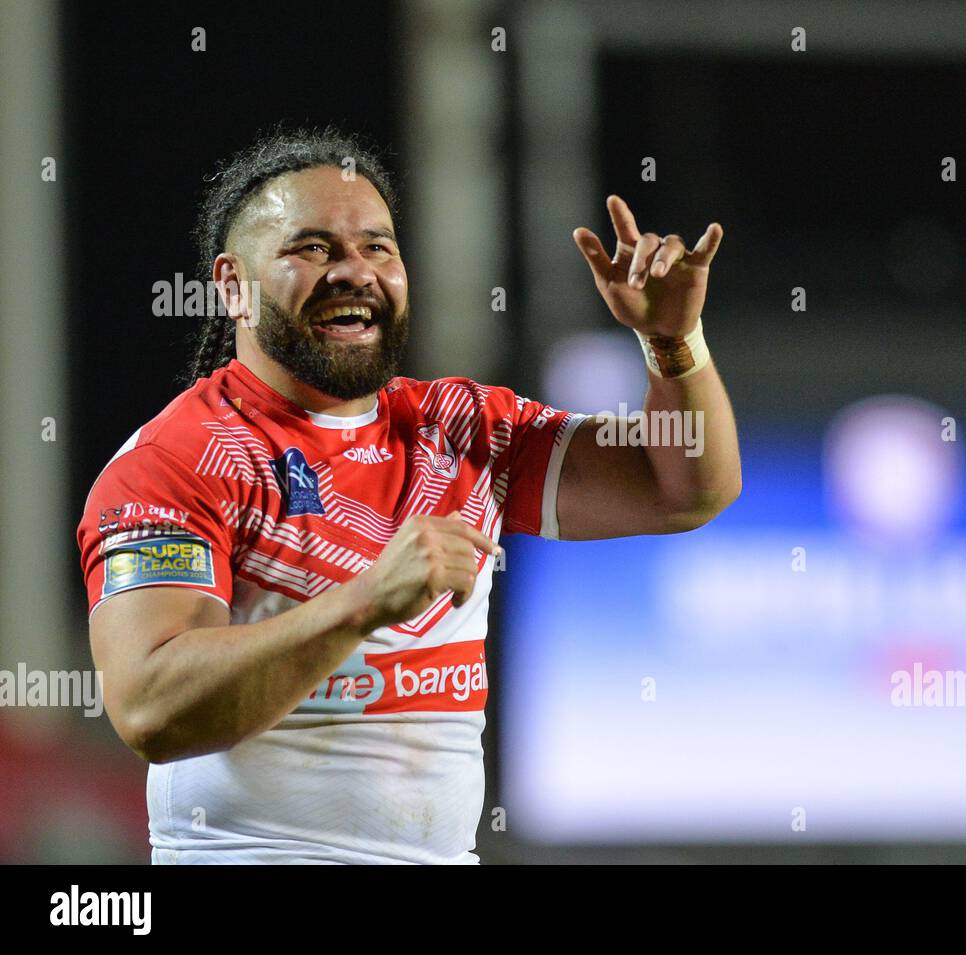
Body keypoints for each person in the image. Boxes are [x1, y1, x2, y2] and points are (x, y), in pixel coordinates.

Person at [75, 127, 741, 864]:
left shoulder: (460, 428)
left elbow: (681, 488)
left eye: (377, 247)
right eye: (314, 248)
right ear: (232, 284)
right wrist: (365, 600)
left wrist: (675, 345)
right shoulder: (178, 459)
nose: (354, 272)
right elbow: (150, 708)